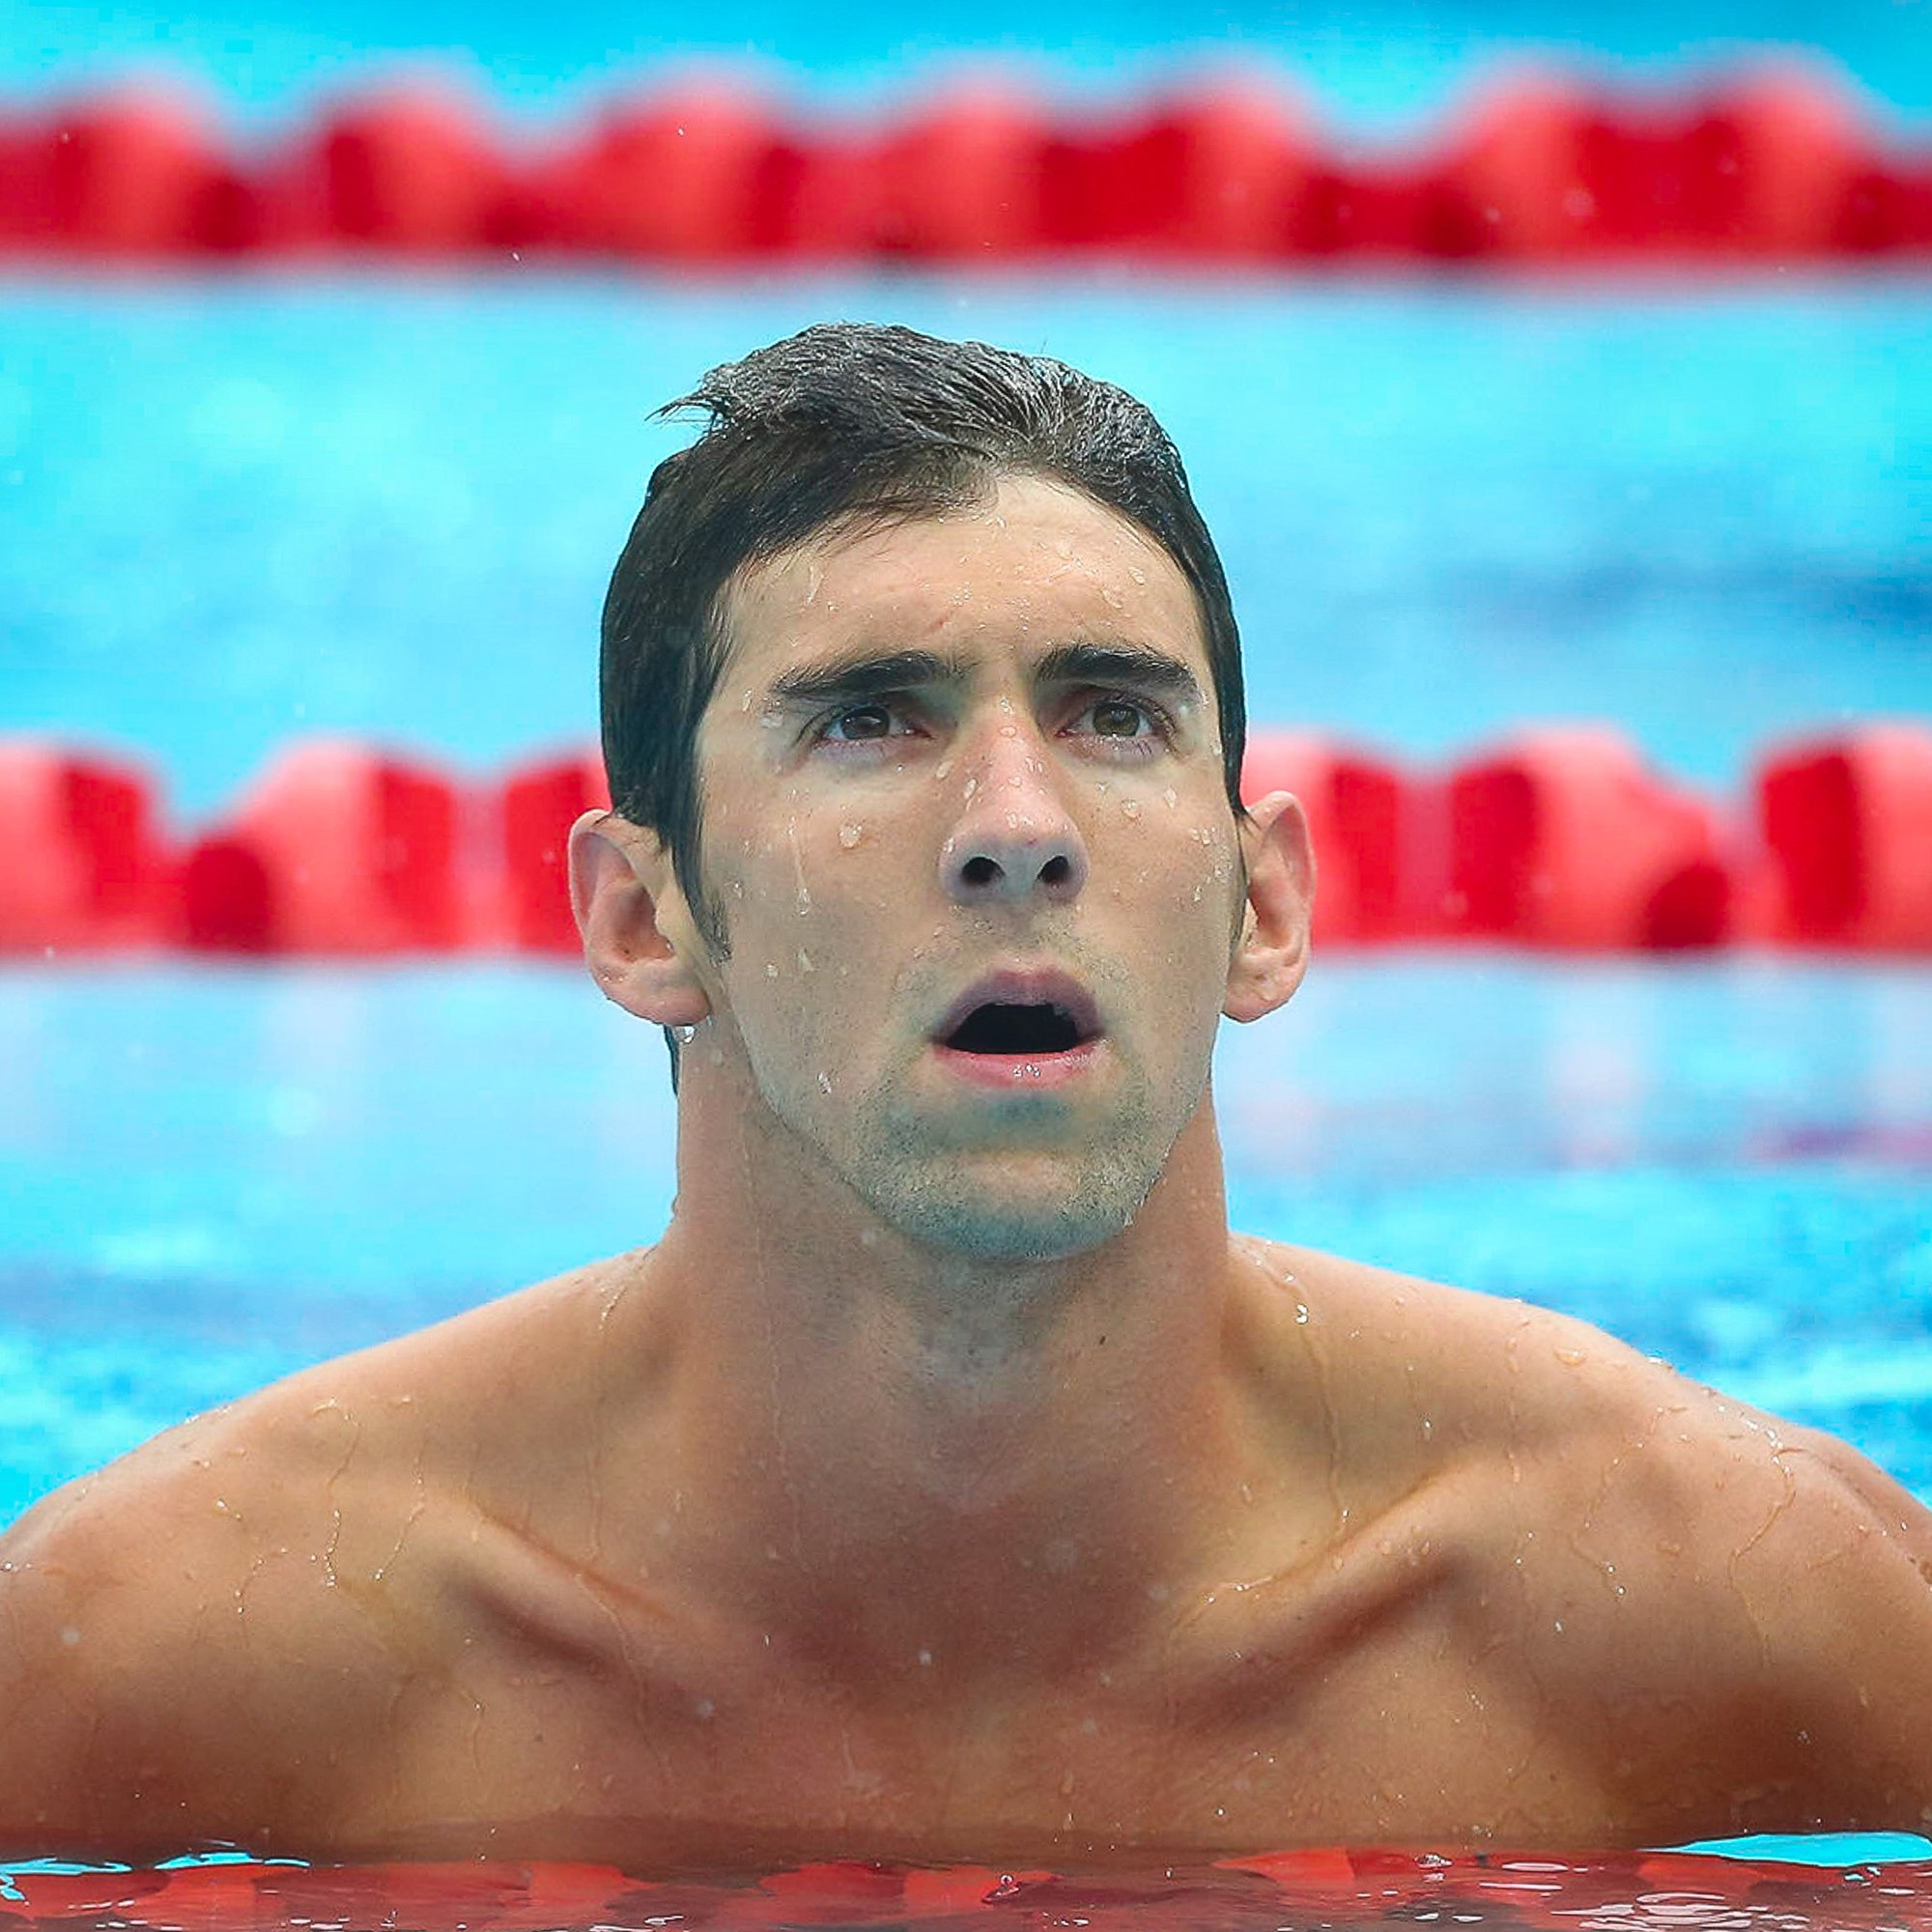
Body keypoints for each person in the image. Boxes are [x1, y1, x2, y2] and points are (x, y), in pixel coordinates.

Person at [2, 323, 1930, 1868]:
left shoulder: (1709, 1614)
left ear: (1261, 904)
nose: (1017, 828)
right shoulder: (183, 1661)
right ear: (638, 912)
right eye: (868, 720)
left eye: (1113, 714)